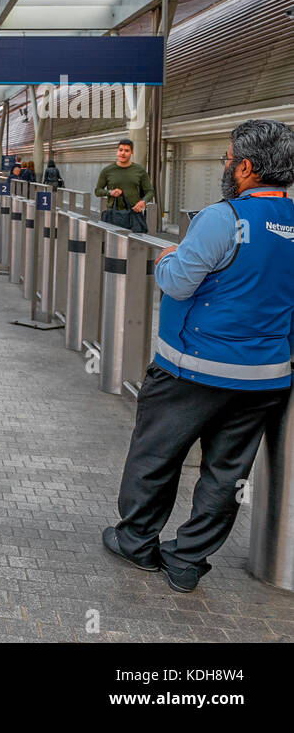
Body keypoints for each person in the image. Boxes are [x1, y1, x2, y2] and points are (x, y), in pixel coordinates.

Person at [104, 119, 294, 593]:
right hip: (264, 378)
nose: (226, 166)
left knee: (157, 456)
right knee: (225, 474)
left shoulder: (221, 218)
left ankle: (137, 541)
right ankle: (187, 560)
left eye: (229, 159)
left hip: (191, 370)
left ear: (247, 167)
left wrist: (168, 256)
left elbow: (177, 282)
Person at [95, 139, 155, 232]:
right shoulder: (107, 170)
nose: (123, 153)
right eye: (120, 150)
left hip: (134, 214)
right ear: (117, 151)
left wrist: (143, 202)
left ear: (132, 152)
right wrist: (110, 192)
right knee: (111, 244)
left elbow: (150, 191)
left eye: (127, 151)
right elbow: (97, 191)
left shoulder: (139, 170)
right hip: (113, 215)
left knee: (135, 244)